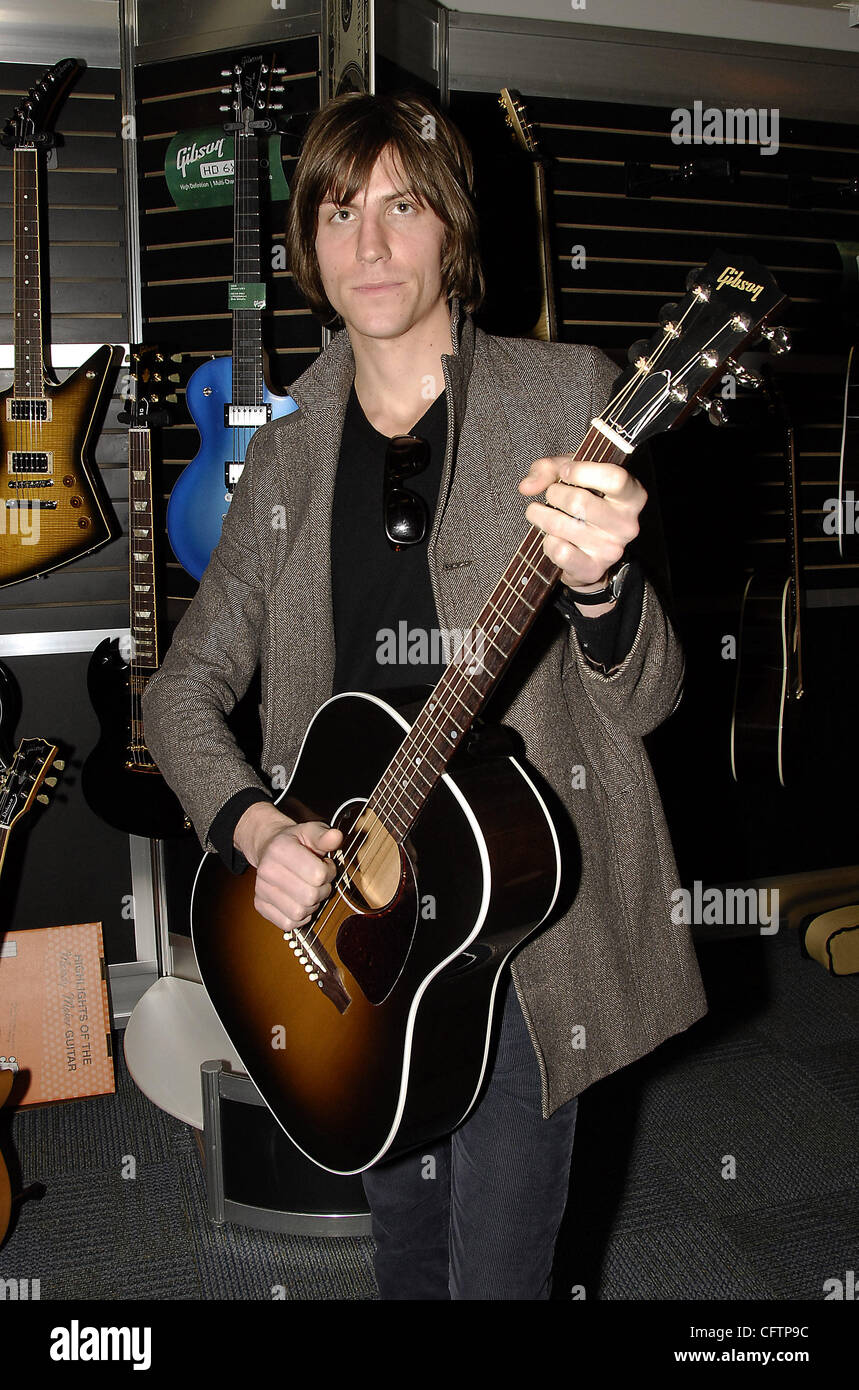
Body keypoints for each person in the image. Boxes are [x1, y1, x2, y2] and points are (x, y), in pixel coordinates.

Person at [143, 90, 707, 1300]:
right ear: (308, 244)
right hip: (352, 918)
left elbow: (649, 701)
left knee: (498, 1271)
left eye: (402, 207)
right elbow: (180, 689)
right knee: (402, 1246)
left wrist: (602, 590)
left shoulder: (569, 398)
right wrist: (253, 830)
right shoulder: (284, 448)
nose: (371, 244)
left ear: (451, 223)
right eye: (340, 212)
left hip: (518, 920)